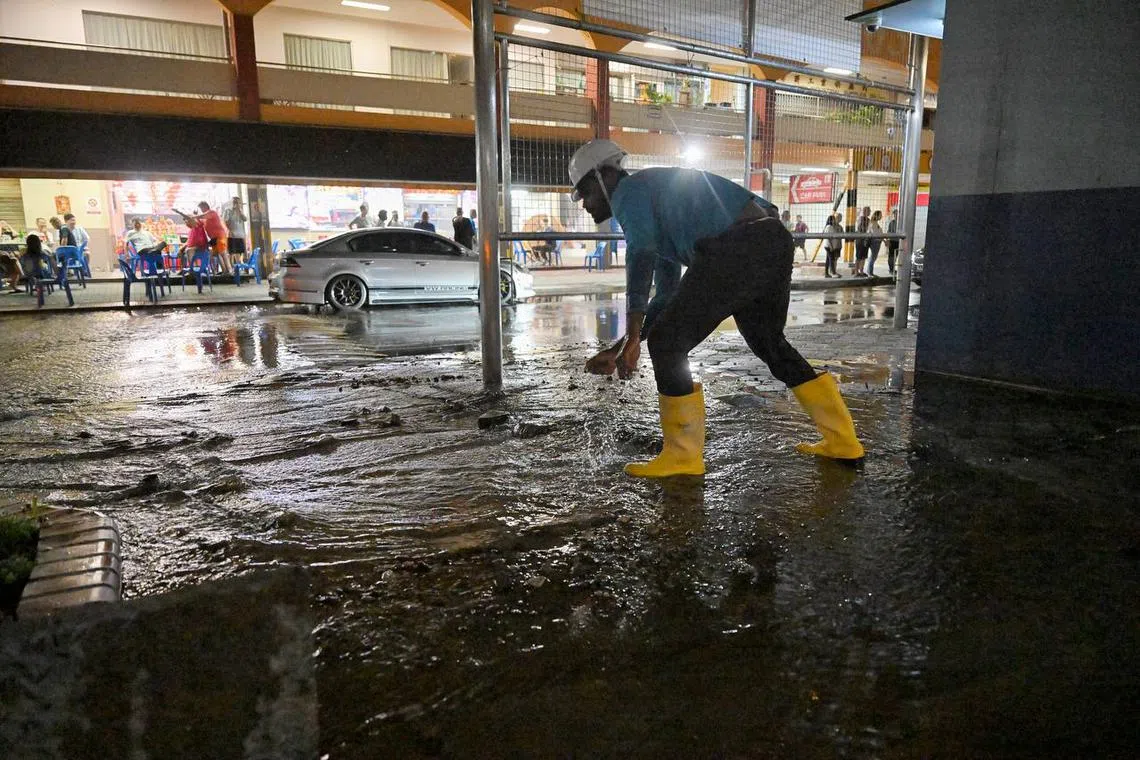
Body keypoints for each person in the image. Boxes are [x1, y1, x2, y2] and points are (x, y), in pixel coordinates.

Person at [571, 139, 864, 478]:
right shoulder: (653, 196)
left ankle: (682, 457)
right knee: (769, 343)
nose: (585, 204)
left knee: (667, 343)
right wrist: (625, 341)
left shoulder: (629, 192)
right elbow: (665, 296)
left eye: (585, 193)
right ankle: (843, 440)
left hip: (737, 246)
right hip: (771, 240)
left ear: (604, 177)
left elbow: (640, 255)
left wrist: (638, 335)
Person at [190, 202, 229, 274]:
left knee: (223, 253)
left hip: (220, 236)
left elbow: (203, 216)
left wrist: (195, 216)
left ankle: (229, 270)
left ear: (205, 206)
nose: (201, 210)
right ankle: (224, 270)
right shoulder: (205, 218)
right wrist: (192, 217)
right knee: (217, 254)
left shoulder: (212, 212)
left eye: (201, 208)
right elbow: (199, 222)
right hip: (213, 238)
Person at [223, 196, 247, 270]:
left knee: (240, 252)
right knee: (231, 252)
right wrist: (230, 230)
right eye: (235, 202)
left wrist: (240, 211)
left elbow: (245, 219)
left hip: (240, 235)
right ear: (232, 202)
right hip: (232, 235)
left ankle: (239, 268)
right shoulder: (228, 210)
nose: (236, 204)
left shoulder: (240, 210)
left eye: (238, 202)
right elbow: (226, 222)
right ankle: (231, 268)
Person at [853, 206, 870, 277]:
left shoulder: (868, 220)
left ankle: (861, 270)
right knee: (859, 256)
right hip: (860, 240)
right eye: (868, 211)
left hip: (865, 239)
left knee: (864, 256)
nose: (869, 212)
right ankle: (856, 271)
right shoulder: (860, 219)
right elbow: (860, 228)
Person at [866, 210, 883, 277]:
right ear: (877, 215)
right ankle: (869, 272)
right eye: (880, 215)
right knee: (873, 257)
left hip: (877, 241)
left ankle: (870, 272)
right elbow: (875, 233)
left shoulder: (875, 223)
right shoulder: (873, 223)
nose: (881, 216)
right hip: (875, 241)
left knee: (874, 257)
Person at [886, 209, 899, 275]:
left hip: (899, 242)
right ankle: (891, 269)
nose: (896, 215)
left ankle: (893, 269)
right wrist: (888, 240)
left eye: (897, 214)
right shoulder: (892, 223)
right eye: (895, 214)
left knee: (896, 256)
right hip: (893, 241)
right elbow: (889, 232)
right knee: (891, 256)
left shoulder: (901, 223)